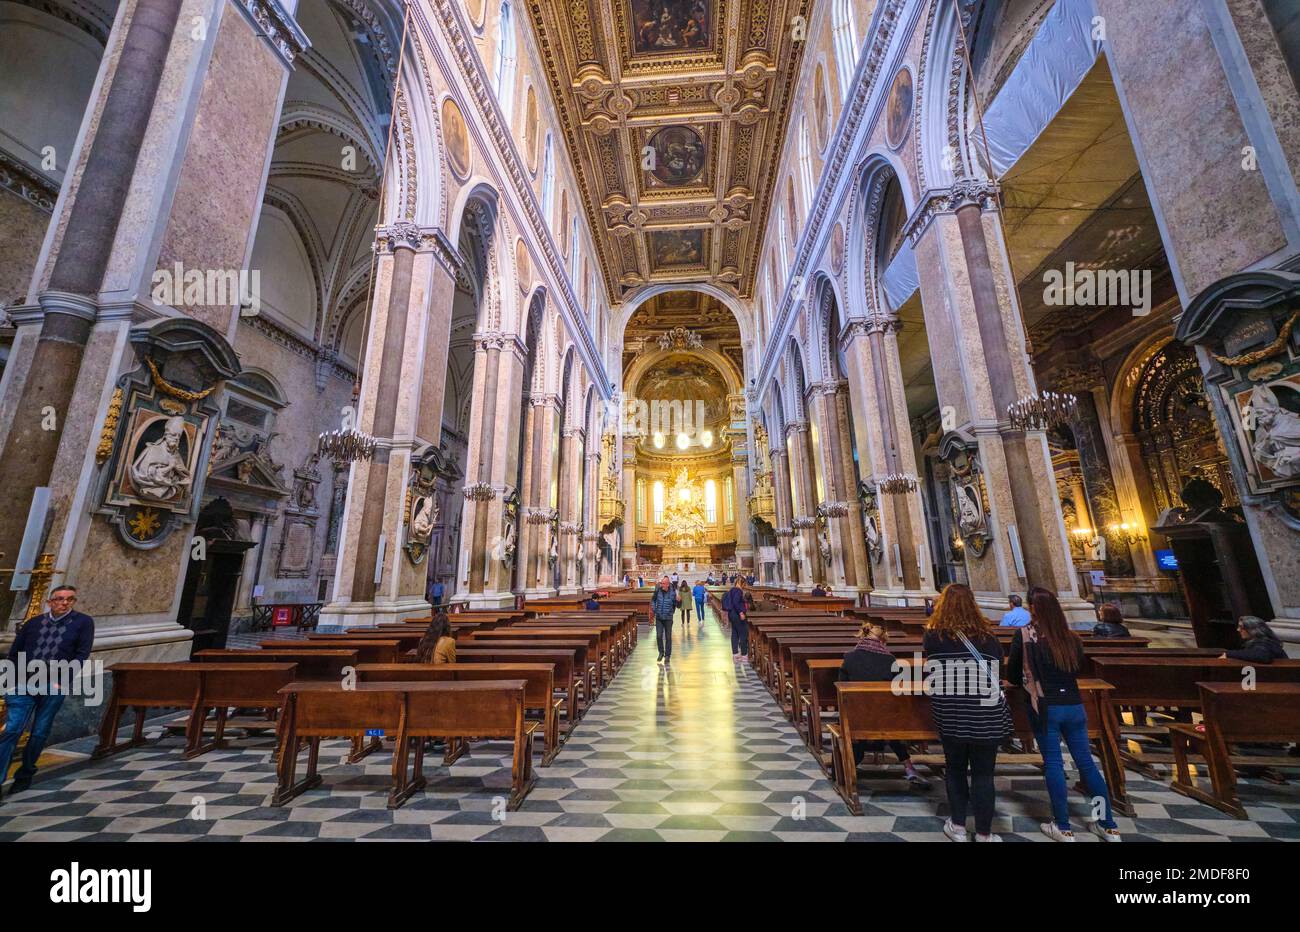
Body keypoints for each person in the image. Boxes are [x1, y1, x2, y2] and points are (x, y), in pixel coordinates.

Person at [1008, 589, 1122, 842]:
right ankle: (1108, 824)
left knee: (1054, 764)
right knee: (1087, 765)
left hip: (1046, 707)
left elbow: (1014, 674)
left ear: (1033, 610)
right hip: (1074, 705)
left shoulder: (1027, 636)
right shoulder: (1072, 638)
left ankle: (1062, 826)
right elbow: (1075, 670)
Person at [923, 583, 1011, 842]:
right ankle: (984, 833)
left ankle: (958, 826)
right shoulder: (989, 638)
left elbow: (933, 669)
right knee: (984, 774)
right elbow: (998, 672)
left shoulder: (934, 637)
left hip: (952, 711)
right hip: (985, 712)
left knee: (955, 769)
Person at [0, 586, 95, 803]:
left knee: (40, 731)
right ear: (50, 602)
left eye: (70, 599)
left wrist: (62, 681)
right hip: (24, 682)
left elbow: (81, 654)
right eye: (60, 599)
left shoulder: (83, 622)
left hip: (54, 684)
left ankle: (25, 773)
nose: (65, 603)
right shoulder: (33, 623)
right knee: (12, 729)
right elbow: (15, 653)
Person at [839, 621, 928, 787]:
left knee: (864, 720)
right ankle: (908, 767)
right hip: (887, 719)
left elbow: (841, 686)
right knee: (886, 719)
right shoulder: (890, 660)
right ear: (883, 641)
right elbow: (898, 691)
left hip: (857, 718)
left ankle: (849, 767)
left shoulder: (850, 658)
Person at [1221, 616, 1286, 663]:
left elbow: (1262, 655)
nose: (1238, 630)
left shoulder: (1265, 643)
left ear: (1253, 630)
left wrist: (1229, 654)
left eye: (1241, 627)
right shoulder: (1259, 642)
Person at [650, 576, 680, 664]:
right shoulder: (657, 591)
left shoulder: (673, 593)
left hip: (668, 618)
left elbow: (677, 606)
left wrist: (679, 601)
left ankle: (667, 655)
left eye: (663, 583)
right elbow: (653, 600)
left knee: (668, 637)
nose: (661, 585)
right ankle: (661, 652)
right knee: (659, 636)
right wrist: (655, 609)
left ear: (667, 584)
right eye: (661, 583)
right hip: (659, 617)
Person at [722, 577, 749, 660]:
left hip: (732, 614)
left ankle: (735, 653)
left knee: (735, 633)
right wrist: (741, 612)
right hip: (737, 615)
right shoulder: (738, 591)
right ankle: (744, 654)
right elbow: (736, 602)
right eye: (744, 584)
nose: (745, 586)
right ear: (742, 583)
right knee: (743, 633)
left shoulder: (732, 590)